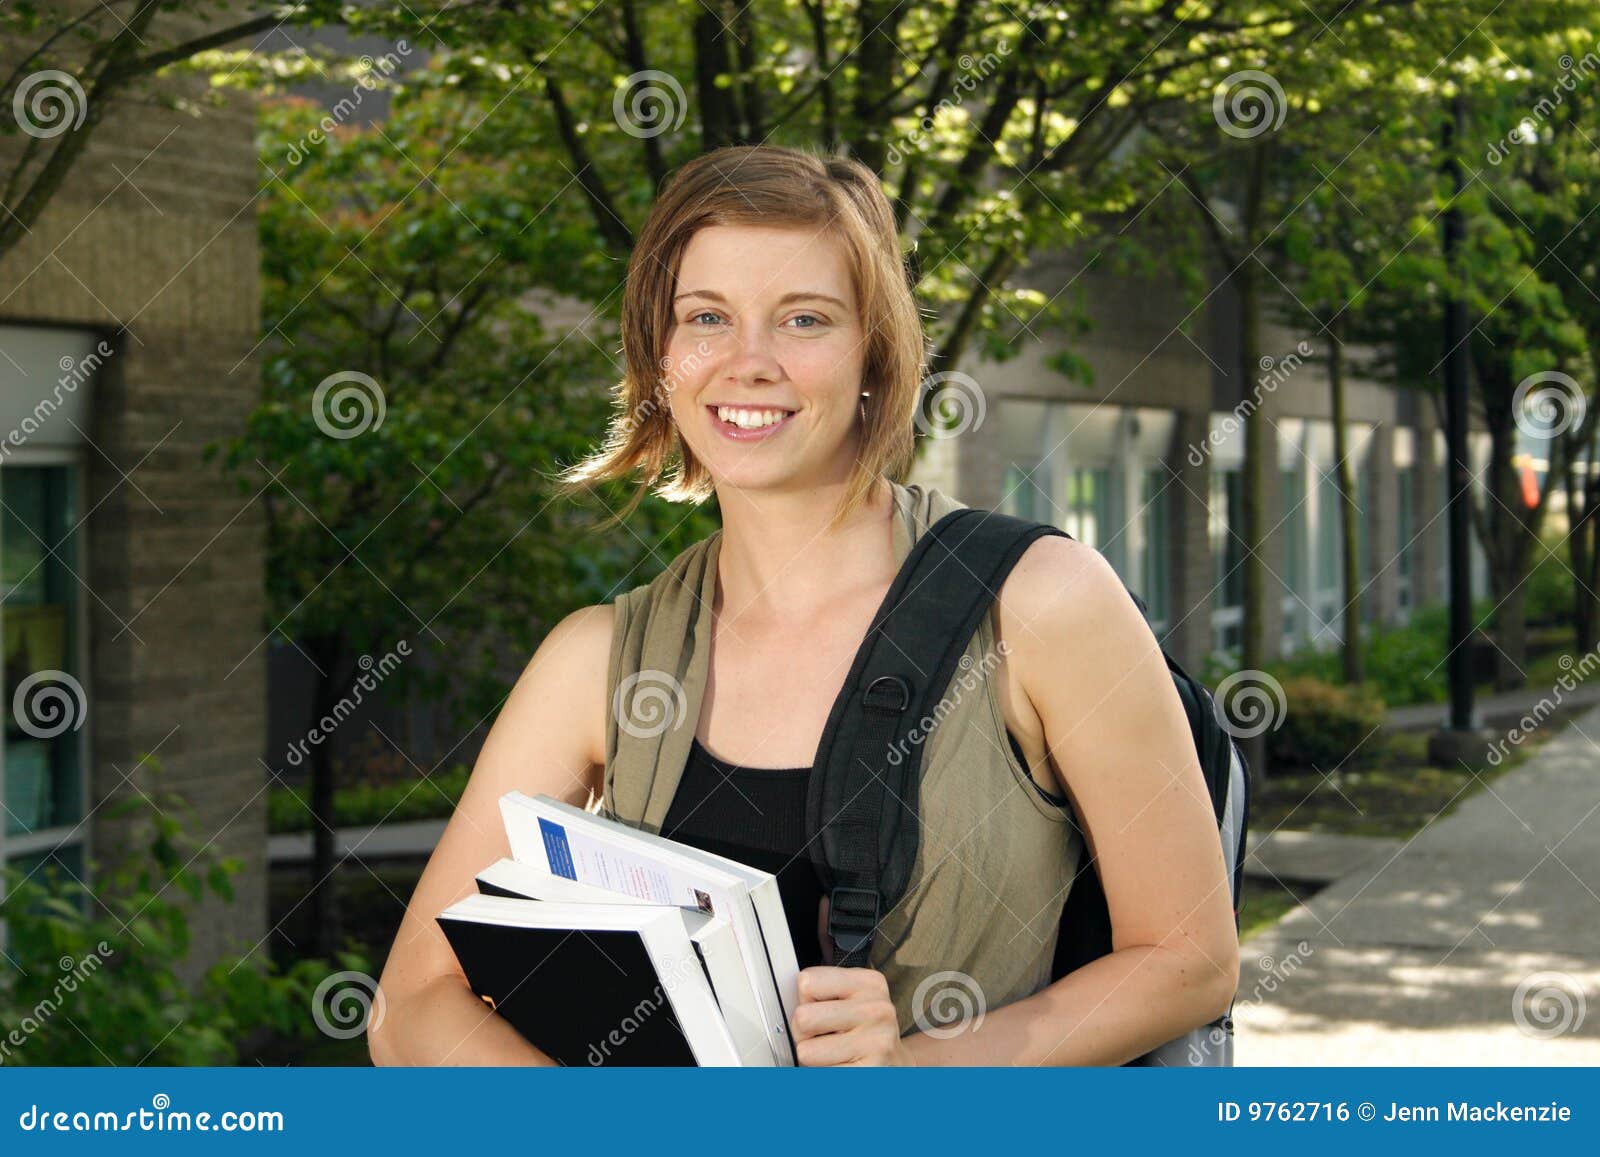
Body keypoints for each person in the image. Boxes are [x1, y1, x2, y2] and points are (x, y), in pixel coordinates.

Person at [369, 144, 1239, 1068]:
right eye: (706, 317)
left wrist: (915, 1070)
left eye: (804, 319)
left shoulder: (1040, 604)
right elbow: (412, 1003)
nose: (749, 362)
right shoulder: (600, 659)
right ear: (659, 358)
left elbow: (1189, 959)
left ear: (874, 351)